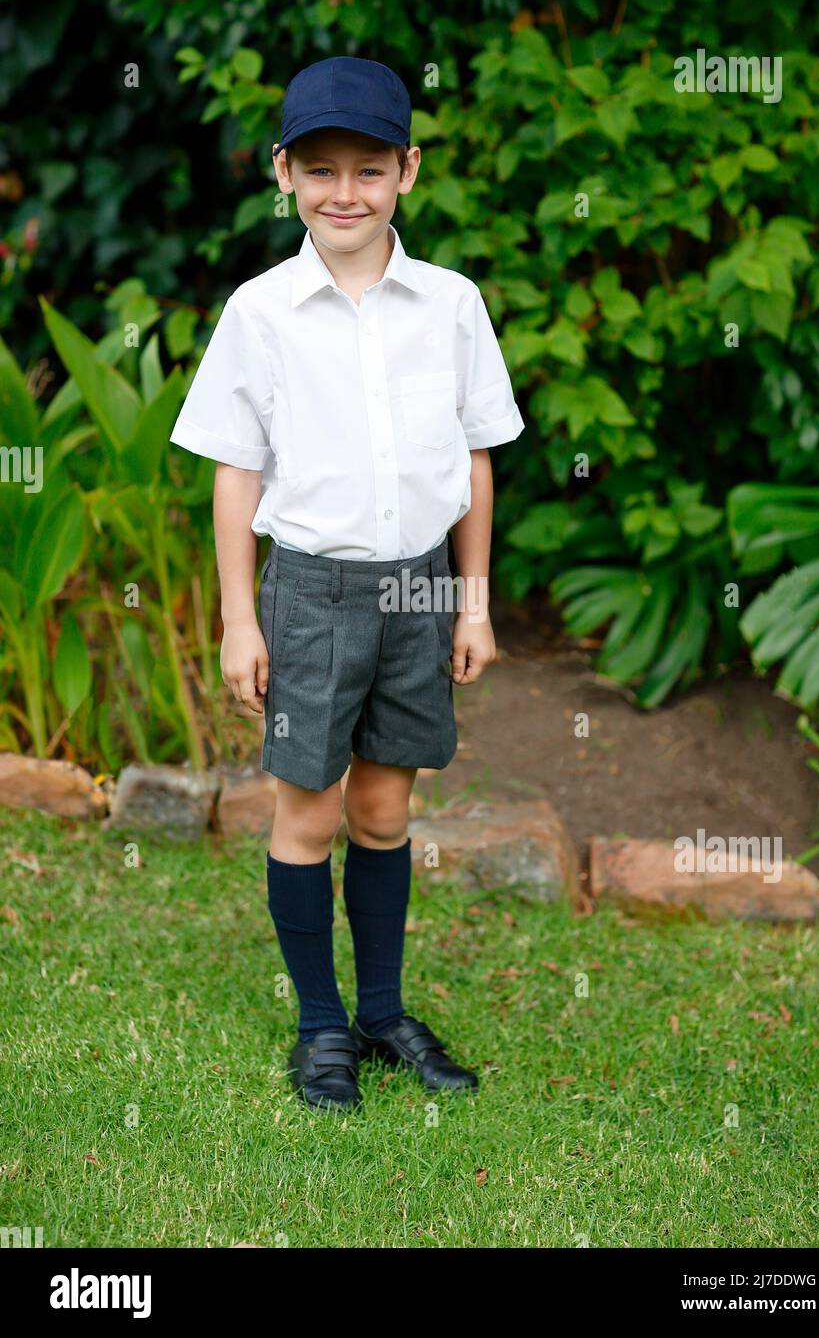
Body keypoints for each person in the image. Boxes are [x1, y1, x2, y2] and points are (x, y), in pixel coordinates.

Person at [169, 56, 524, 1113]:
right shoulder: (260, 311)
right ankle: (319, 1026)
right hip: (311, 594)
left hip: (419, 591)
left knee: (380, 808)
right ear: (283, 174)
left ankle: (380, 1010)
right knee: (308, 817)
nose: (343, 192)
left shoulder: (449, 306)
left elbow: (473, 460)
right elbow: (235, 472)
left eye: (367, 169)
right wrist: (239, 620)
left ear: (405, 171)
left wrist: (473, 598)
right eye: (318, 169)